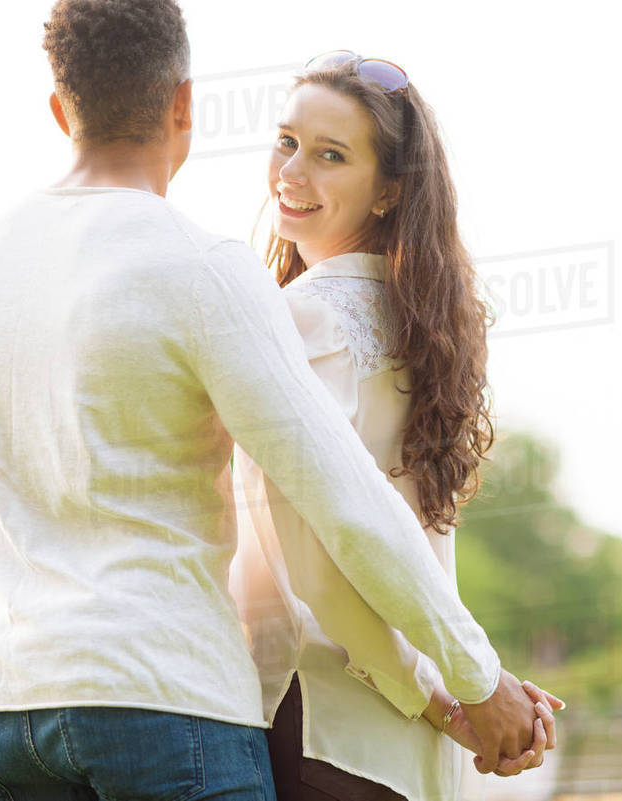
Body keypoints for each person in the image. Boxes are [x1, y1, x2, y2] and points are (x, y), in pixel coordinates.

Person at [0, 2, 541, 799]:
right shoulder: (205, 268)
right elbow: (340, 498)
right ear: (184, 105)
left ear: (58, 109)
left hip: (4, 717)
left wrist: (34, 666)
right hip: (168, 705)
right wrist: (475, 677)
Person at [228, 51, 563, 801]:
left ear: (387, 192)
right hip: (399, 748)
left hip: (320, 724)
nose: (291, 171)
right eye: (286, 141)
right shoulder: (423, 326)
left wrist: (448, 696)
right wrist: (468, 691)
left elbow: (322, 551)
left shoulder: (307, 317)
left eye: (330, 155)